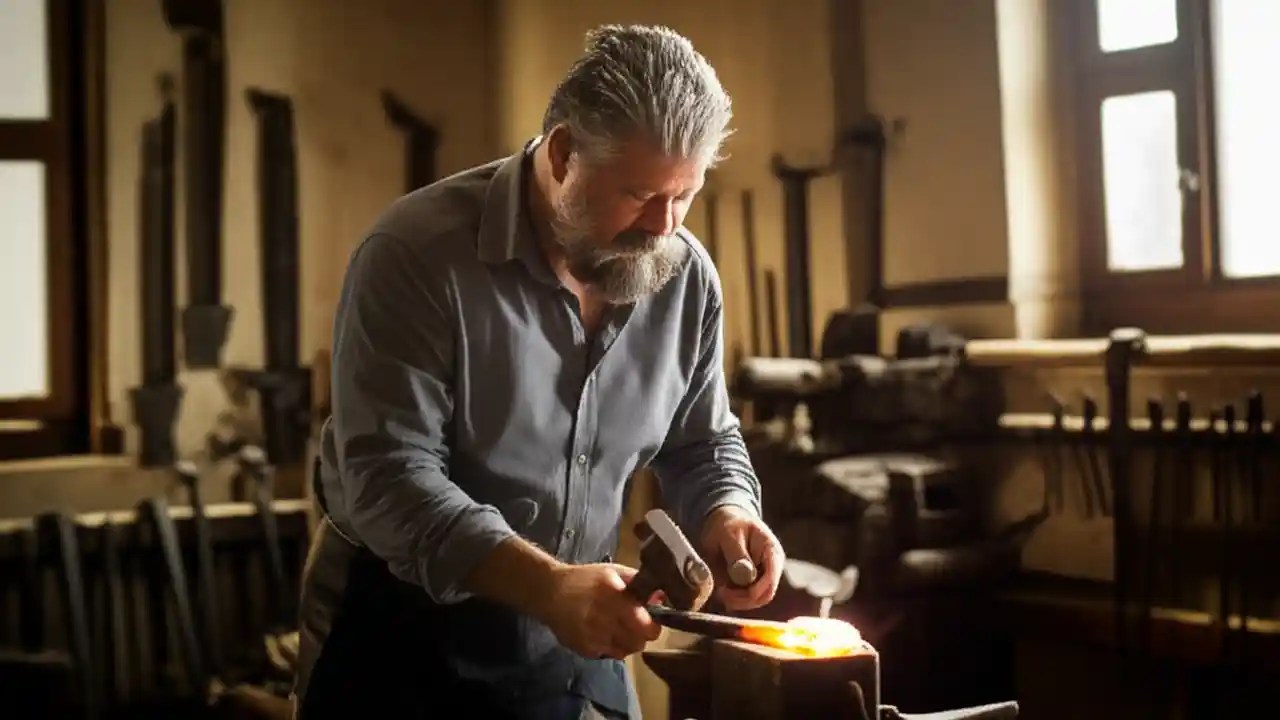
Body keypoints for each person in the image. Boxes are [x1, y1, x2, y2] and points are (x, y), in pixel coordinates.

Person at [292, 24, 784, 720]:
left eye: (686, 195)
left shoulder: (684, 276)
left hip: (576, 630)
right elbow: (388, 478)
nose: (665, 225)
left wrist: (730, 511)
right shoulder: (415, 255)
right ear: (561, 155)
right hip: (402, 627)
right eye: (640, 193)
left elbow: (702, 441)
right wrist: (548, 587)